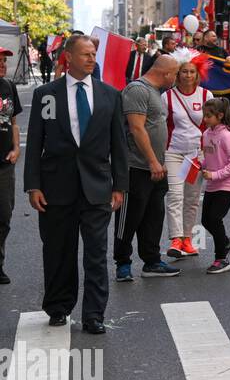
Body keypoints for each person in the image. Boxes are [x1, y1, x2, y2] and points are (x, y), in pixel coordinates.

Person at [24, 34, 130, 333]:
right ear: (68, 57)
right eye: (85, 54)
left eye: (93, 53)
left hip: (97, 188)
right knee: (58, 251)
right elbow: (35, 142)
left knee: (96, 254)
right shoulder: (47, 94)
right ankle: (58, 307)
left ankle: (94, 314)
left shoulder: (110, 95)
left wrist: (120, 185)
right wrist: (33, 185)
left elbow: (118, 145)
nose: (91, 58)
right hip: (56, 188)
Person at [114, 54, 182, 282]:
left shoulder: (155, 92)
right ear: (166, 73)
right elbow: (136, 128)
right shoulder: (137, 90)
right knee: (129, 217)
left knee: (153, 216)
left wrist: (158, 162)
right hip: (137, 167)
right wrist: (152, 160)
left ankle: (151, 261)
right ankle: (122, 263)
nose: (176, 78)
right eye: (175, 74)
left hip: (156, 167)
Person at [163, 52, 210, 258]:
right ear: (177, 73)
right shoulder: (167, 97)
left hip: (195, 156)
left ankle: (188, 239)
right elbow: (160, 126)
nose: (188, 75)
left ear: (197, 73)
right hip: (173, 153)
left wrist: (211, 156)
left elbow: (212, 127)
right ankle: (176, 239)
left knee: (191, 199)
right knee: (175, 195)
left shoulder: (206, 95)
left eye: (192, 71)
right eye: (184, 71)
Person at [198, 98, 230, 274]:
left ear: (220, 116)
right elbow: (208, 157)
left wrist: (215, 174)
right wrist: (200, 165)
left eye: (208, 116)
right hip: (212, 184)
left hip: (228, 184)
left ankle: (221, 258)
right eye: (204, 115)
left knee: (215, 219)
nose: (205, 119)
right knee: (205, 220)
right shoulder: (206, 134)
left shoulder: (226, 137)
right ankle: (226, 242)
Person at [0, 48, 21, 282]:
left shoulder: (8, 86)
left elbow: (13, 122)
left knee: (4, 215)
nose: (3, 64)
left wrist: (16, 148)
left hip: (5, 163)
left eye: (4, 61)